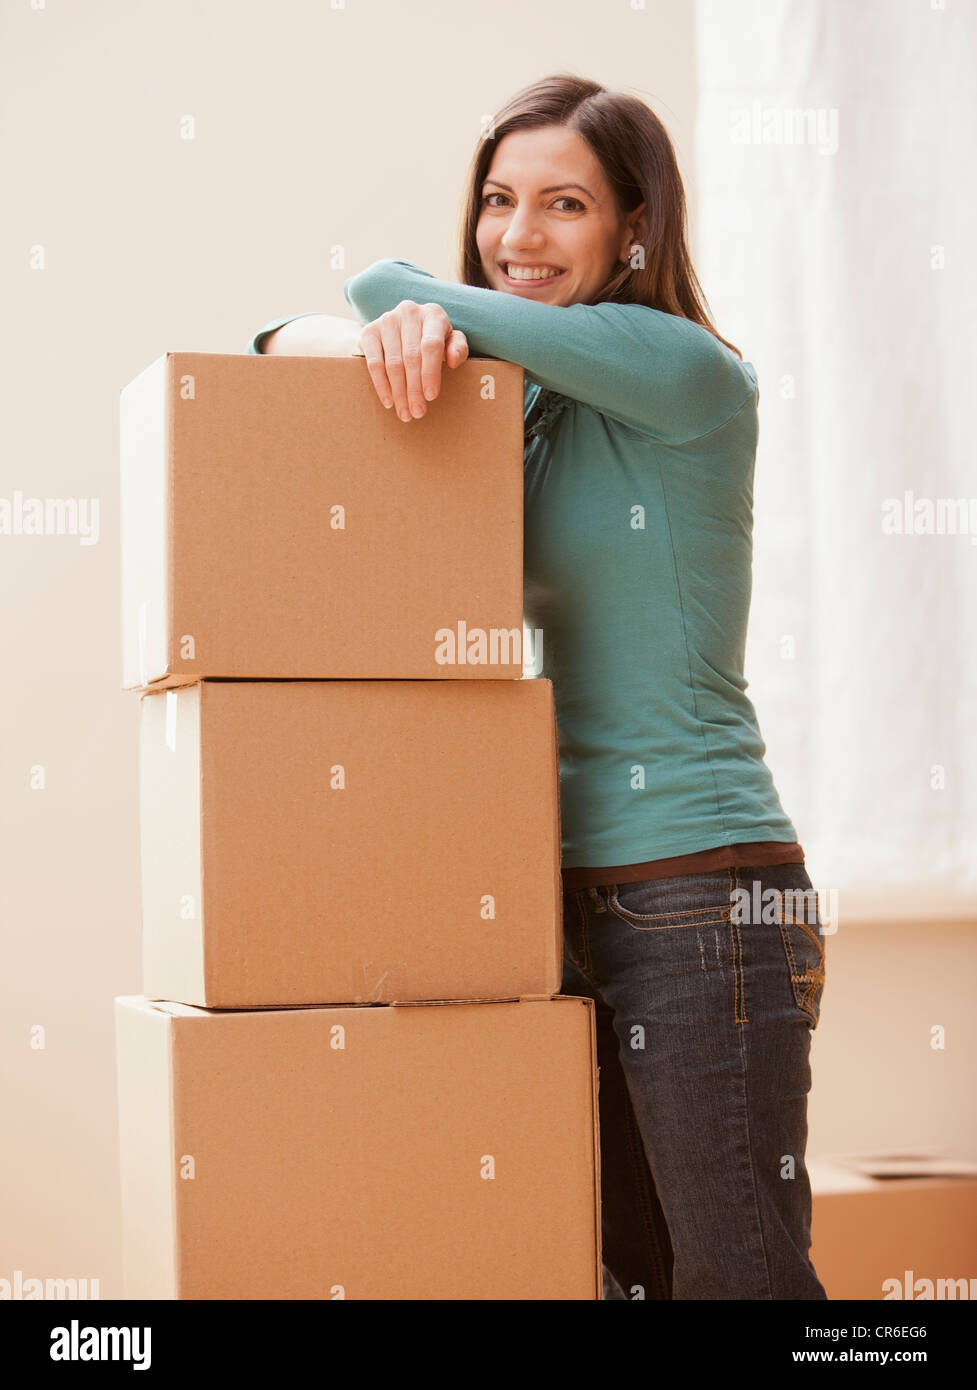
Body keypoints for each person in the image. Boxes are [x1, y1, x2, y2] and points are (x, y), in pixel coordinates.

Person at [247, 72, 828, 1301]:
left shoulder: (682, 371)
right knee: (619, 1274)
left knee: (740, 1283)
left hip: (703, 894)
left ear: (633, 229)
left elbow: (383, 287)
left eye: (563, 204)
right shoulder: (527, 409)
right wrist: (360, 344)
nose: (516, 236)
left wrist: (394, 316)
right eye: (498, 200)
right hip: (556, 897)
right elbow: (273, 348)